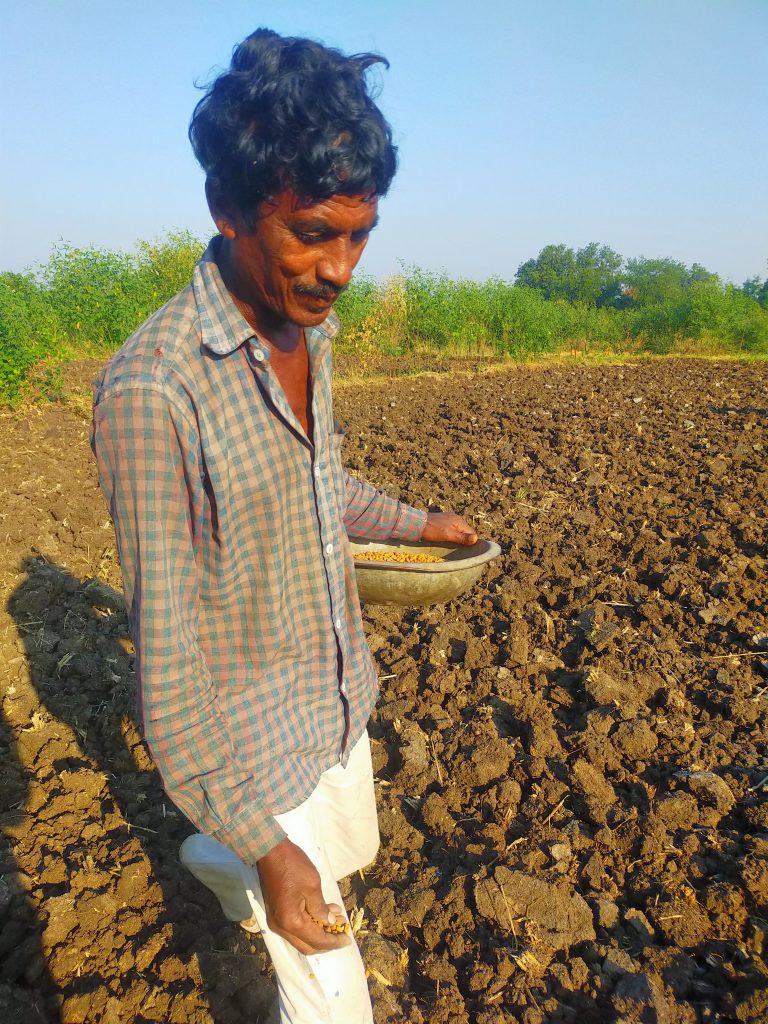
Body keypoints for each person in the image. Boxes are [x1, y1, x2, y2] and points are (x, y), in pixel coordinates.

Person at [91, 27, 477, 1024]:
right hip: (247, 741)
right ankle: (243, 849)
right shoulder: (154, 393)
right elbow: (167, 665)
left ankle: (219, 855)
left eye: (360, 235)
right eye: (312, 233)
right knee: (329, 972)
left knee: (351, 848)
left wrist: (419, 522)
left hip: (333, 696)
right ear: (227, 208)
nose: (339, 268)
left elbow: (318, 481)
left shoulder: (306, 326)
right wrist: (268, 843)